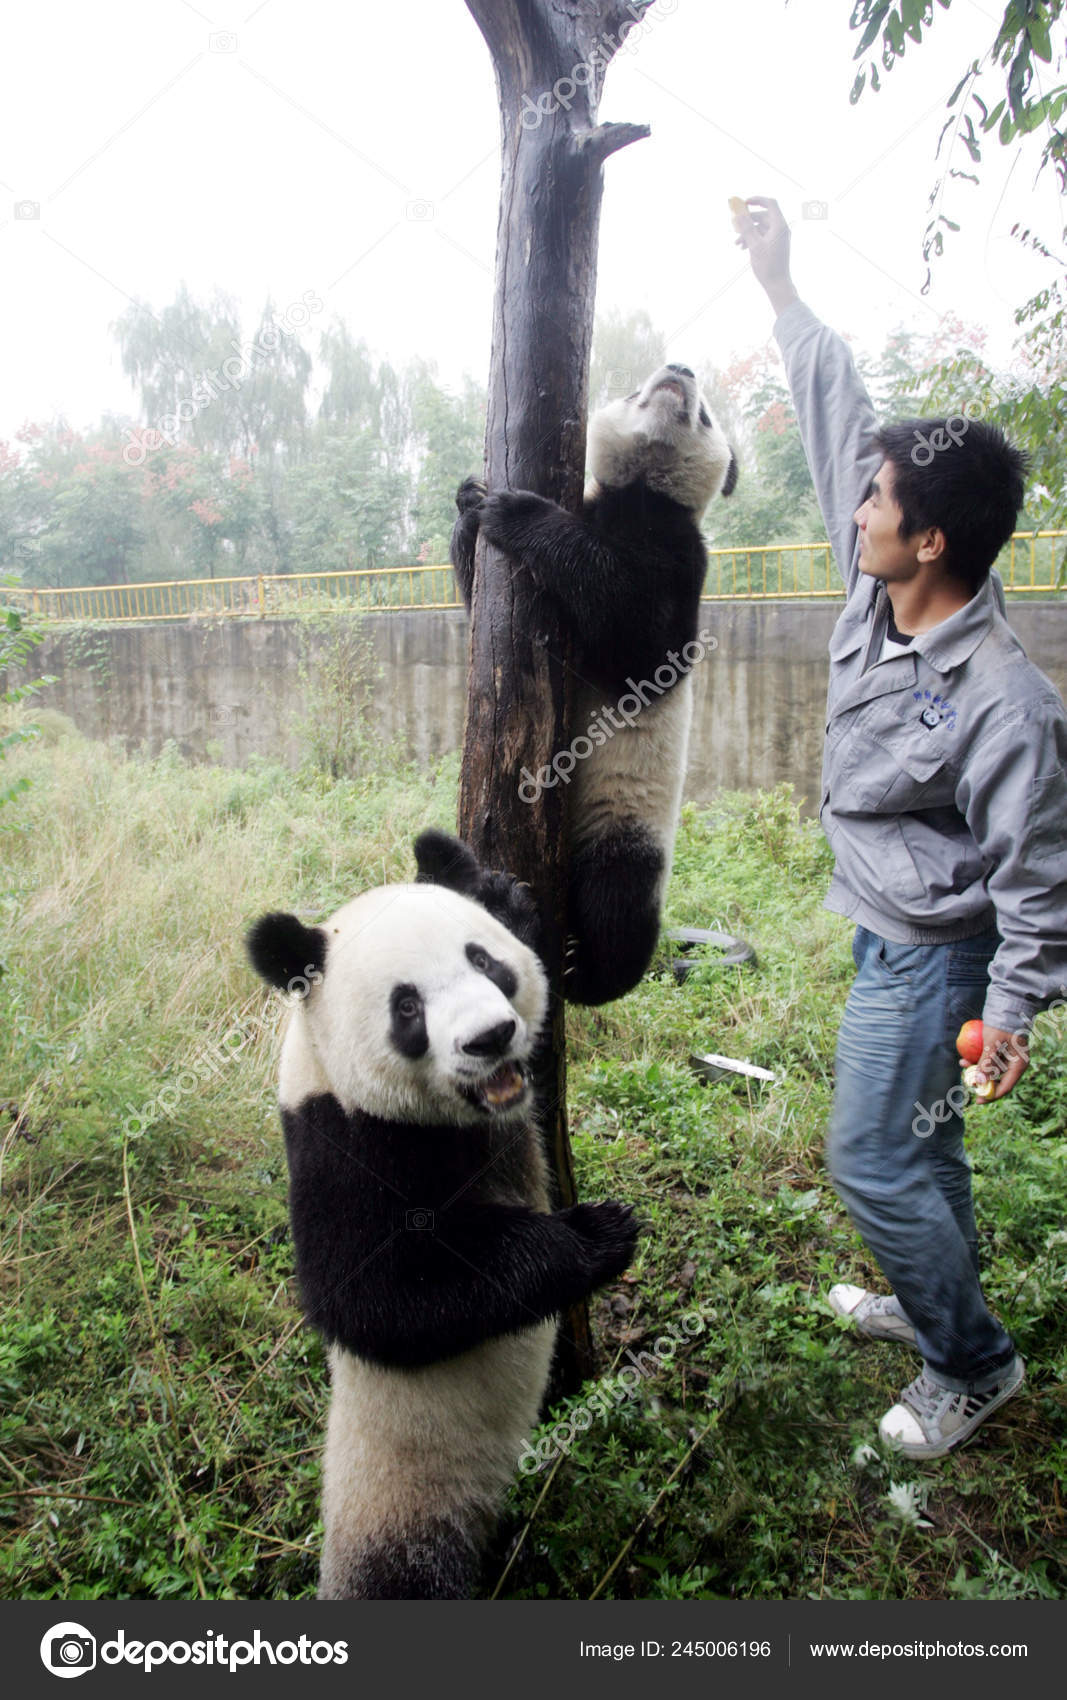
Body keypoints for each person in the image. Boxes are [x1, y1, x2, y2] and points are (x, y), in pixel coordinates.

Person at [735, 196, 1067, 1458]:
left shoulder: (1000, 700)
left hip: (938, 955)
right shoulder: (877, 588)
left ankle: (970, 1363)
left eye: (878, 500)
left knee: (872, 1156)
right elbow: (834, 411)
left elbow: (1038, 873)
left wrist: (1017, 1010)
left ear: (928, 538)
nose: (857, 508)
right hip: (883, 926)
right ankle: (932, 1297)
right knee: (913, 1153)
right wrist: (779, 288)